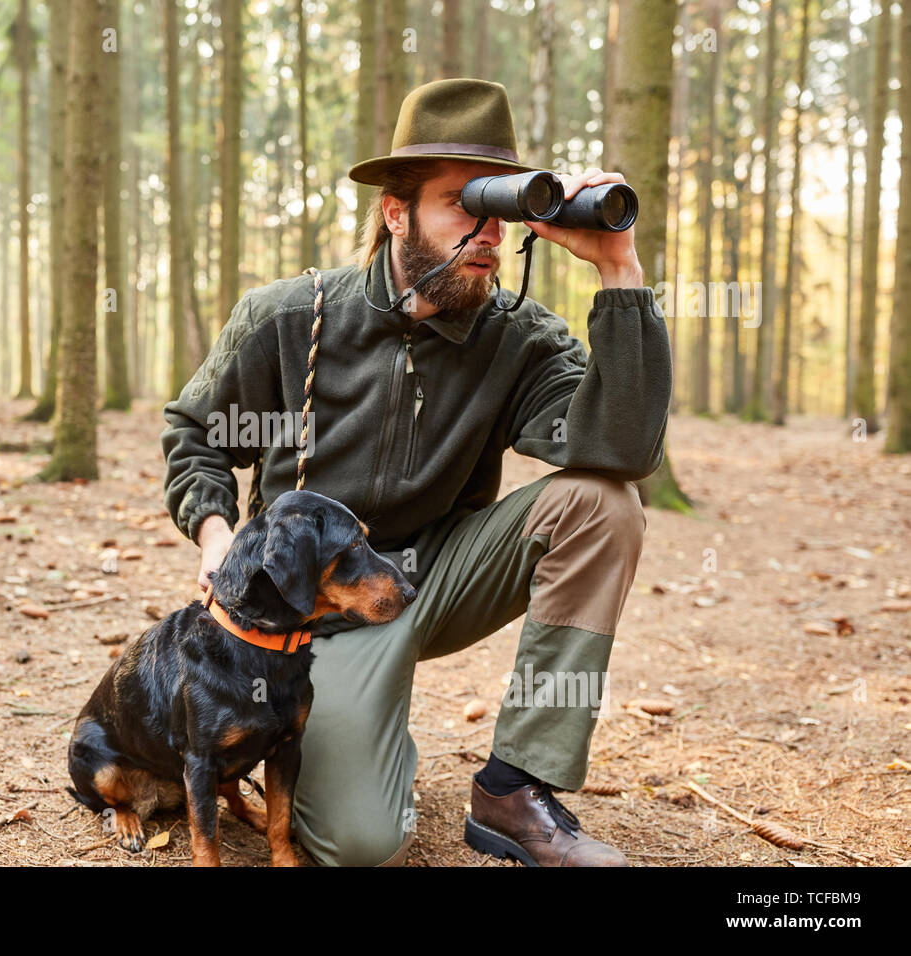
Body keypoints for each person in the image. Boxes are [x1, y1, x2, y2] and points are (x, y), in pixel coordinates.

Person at [161, 78, 672, 866]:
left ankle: (515, 788)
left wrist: (620, 272)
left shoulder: (521, 340)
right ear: (396, 212)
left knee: (604, 502)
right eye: (462, 204)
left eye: (499, 209)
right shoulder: (289, 318)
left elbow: (625, 452)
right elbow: (195, 430)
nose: (487, 232)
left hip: (438, 577)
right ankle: (363, 718)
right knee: (359, 844)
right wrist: (217, 531)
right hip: (311, 615)